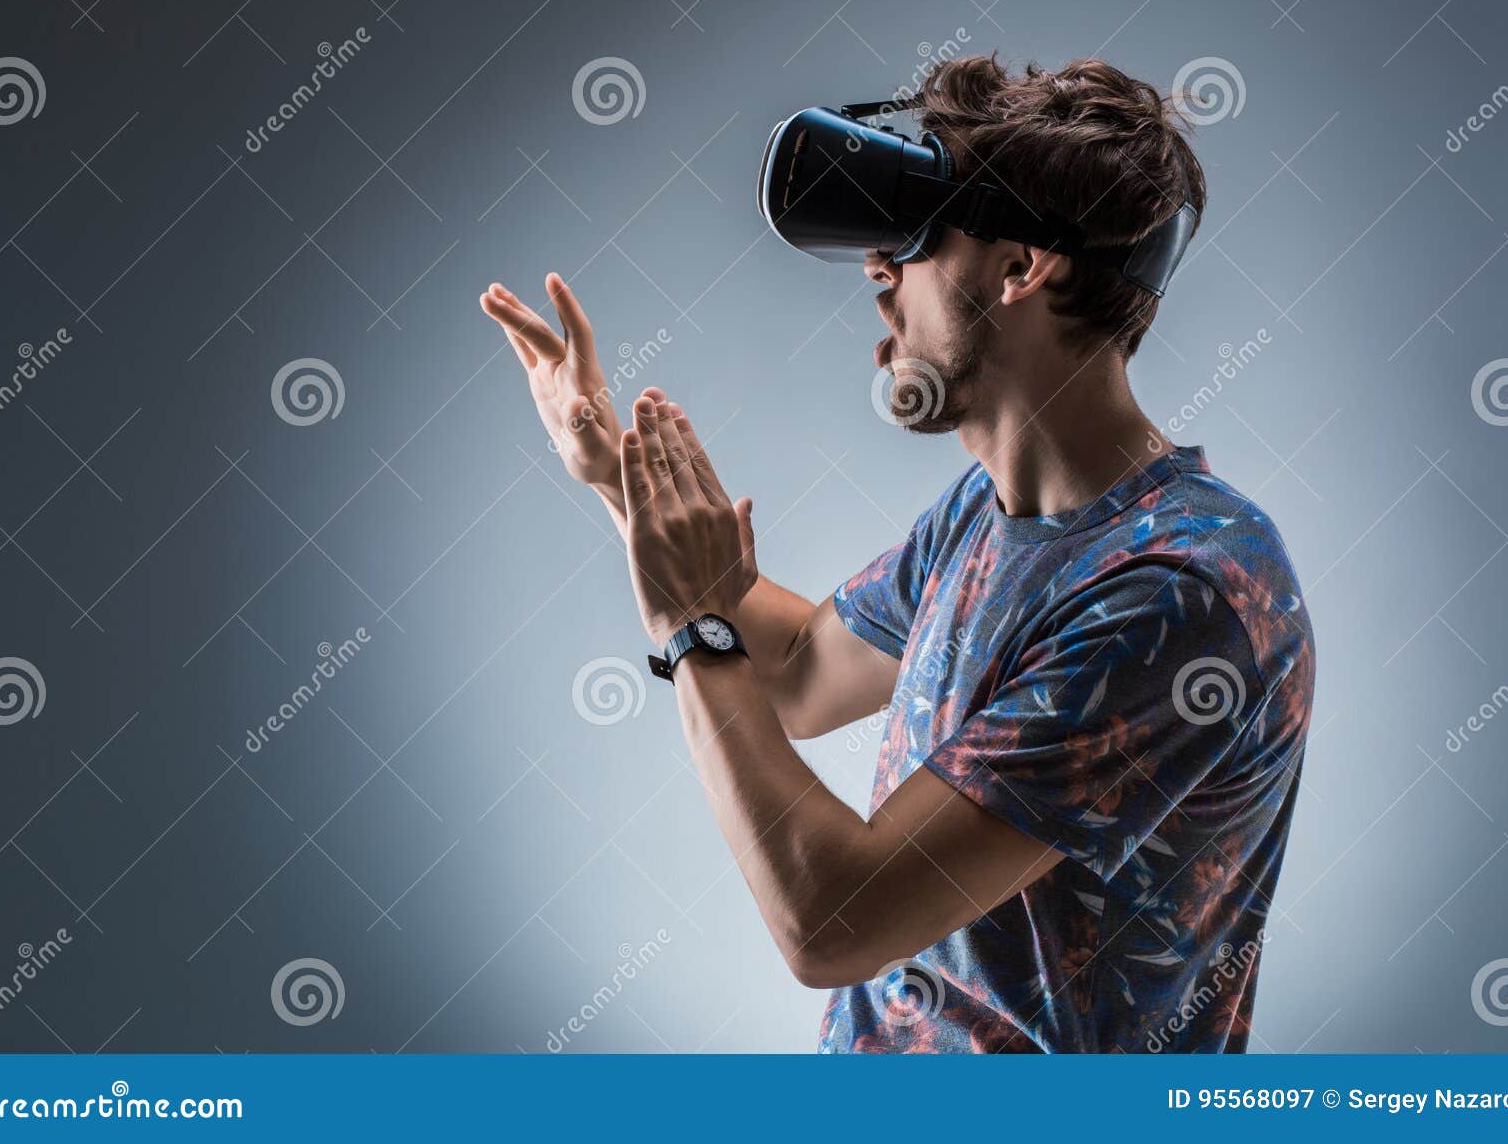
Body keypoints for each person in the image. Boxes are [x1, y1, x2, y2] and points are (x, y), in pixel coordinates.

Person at [479, 55, 1315, 1054]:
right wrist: (620, 480)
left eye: (913, 249)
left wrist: (692, 629)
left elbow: (833, 921)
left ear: (1020, 266)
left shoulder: (1177, 590)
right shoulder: (985, 511)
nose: (880, 286)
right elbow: (797, 674)